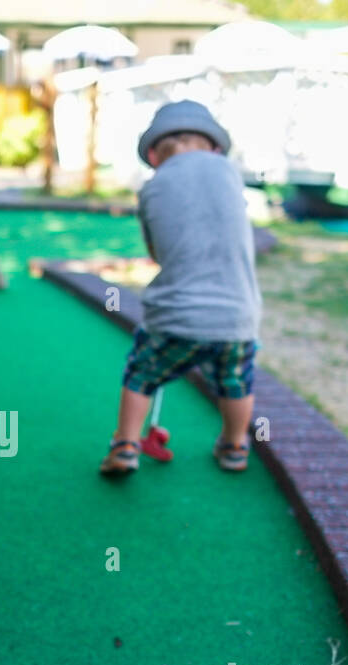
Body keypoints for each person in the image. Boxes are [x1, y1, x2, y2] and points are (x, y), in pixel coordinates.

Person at [100, 100, 263, 476]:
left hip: (176, 313)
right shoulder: (229, 174)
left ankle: (126, 444)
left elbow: (158, 251)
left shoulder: (153, 187)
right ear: (214, 147)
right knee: (235, 381)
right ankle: (235, 445)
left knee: (141, 374)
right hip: (237, 314)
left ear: (155, 155)